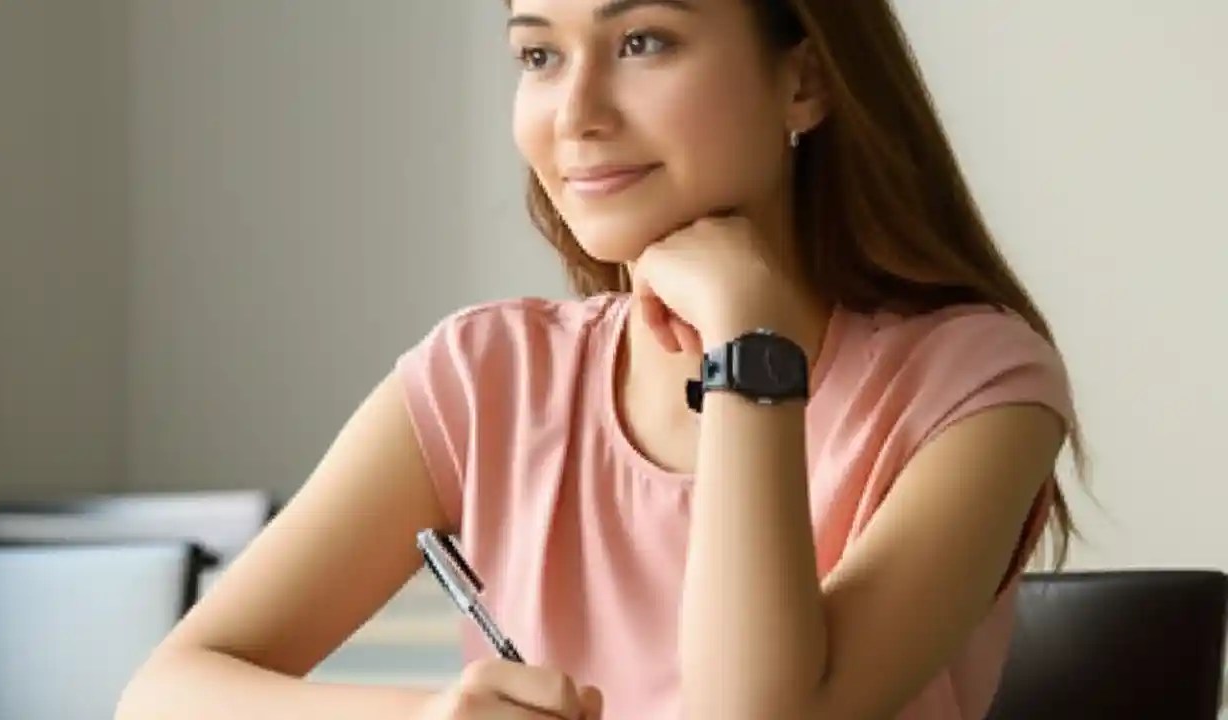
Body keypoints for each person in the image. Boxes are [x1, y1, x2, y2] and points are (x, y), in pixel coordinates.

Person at [117, 1, 1085, 718]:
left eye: (640, 43)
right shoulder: (489, 373)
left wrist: (748, 343)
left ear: (804, 79)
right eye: (537, 54)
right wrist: (422, 717)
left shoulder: (979, 385)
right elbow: (165, 692)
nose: (572, 111)